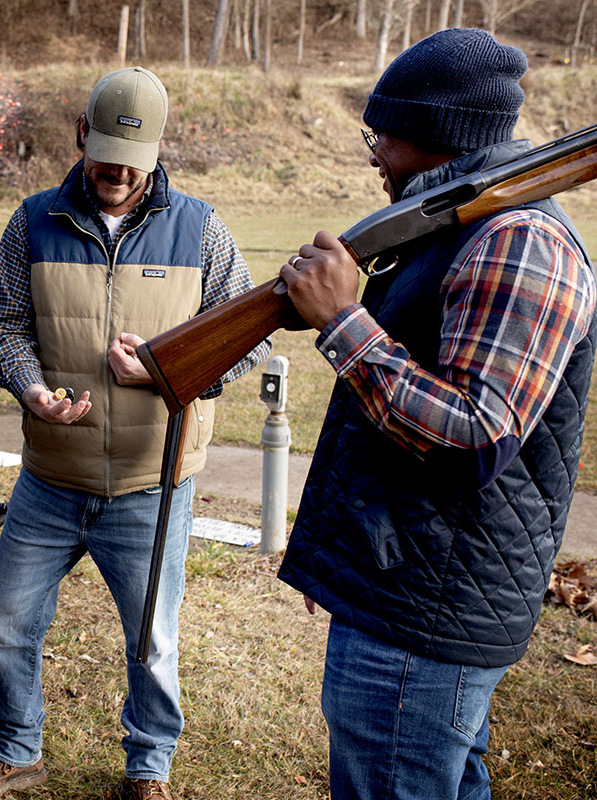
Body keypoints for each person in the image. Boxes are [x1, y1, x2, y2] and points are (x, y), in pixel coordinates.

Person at [276, 28, 596, 800]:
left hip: (426, 617)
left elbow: (473, 436)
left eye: (380, 137)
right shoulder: (454, 225)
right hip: (412, 590)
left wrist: (342, 322)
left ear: (432, 136)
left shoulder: (519, 238)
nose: (375, 157)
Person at [0, 67, 269, 800]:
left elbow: (248, 339)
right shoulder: (32, 221)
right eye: (106, 158)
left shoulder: (202, 229)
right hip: (50, 480)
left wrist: (162, 370)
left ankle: (148, 770)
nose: (118, 175)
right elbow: (3, 326)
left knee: (153, 640)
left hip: (153, 484)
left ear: (157, 153)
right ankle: (16, 753)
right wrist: (31, 390)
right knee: (8, 621)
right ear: (81, 135)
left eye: (134, 163)